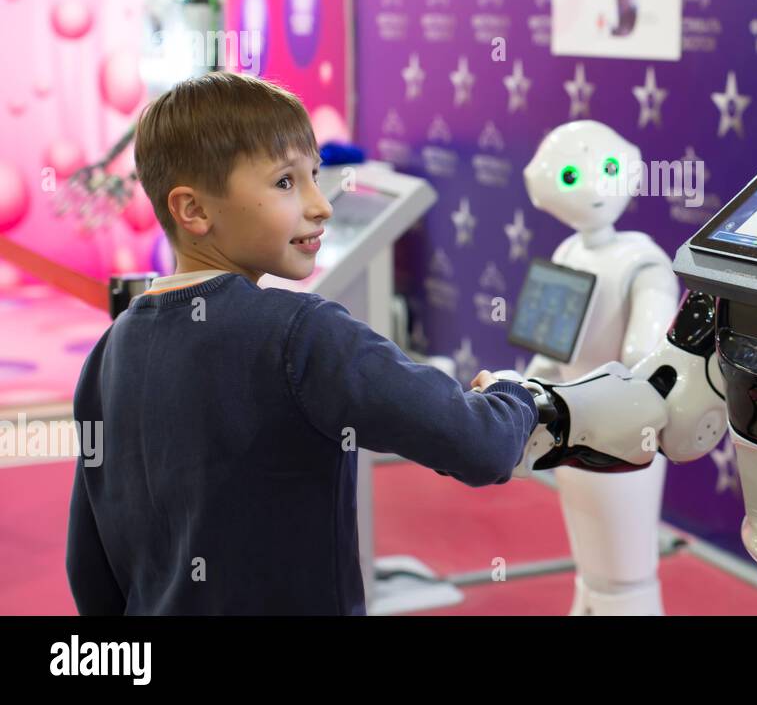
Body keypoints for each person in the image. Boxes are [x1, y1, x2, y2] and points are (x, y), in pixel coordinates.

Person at [66, 71, 539, 615]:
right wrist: (515, 397)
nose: (322, 205)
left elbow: (90, 569)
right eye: (286, 183)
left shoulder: (107, 353)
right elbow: (481, 445)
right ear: (193, 210)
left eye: (315, 175)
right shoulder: (301, 333)